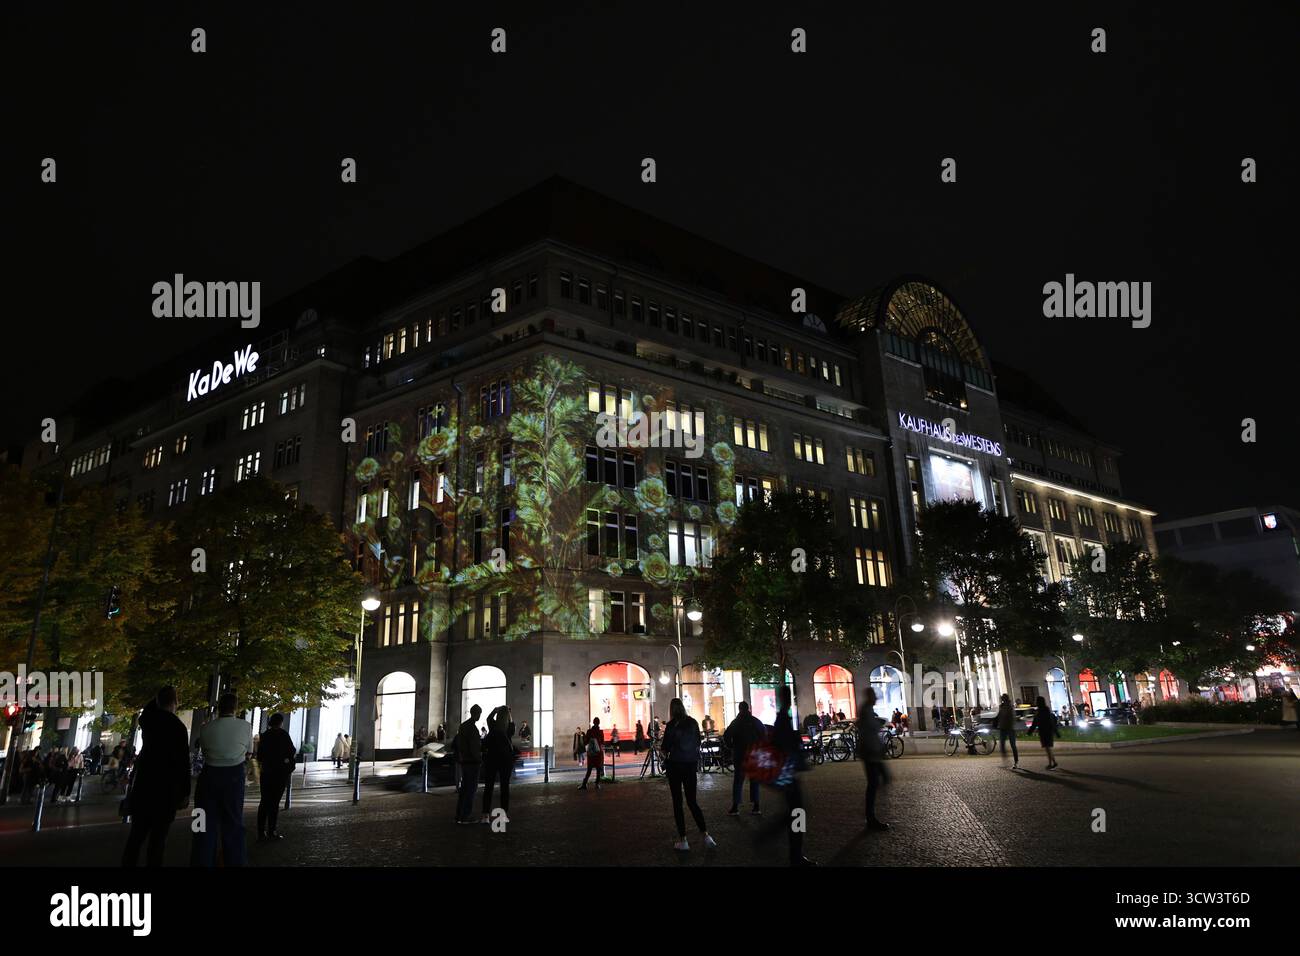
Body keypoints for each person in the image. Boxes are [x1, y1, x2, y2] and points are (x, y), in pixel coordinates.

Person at [123, 686, 192, 867]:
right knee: (158, 841)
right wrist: (185, 792)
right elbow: (183, 763)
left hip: (144, 786)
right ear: (175, 703)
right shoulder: (177, 727)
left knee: (136, 837)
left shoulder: (148, 722)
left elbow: (148, 710)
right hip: (166, 790)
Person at [191, 692, 253, 867]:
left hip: (208, 777)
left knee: (201, 824)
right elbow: (249, 752)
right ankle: (235, 861)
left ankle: (200, 861)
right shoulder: (246, 726)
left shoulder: (205, 728)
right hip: (233, 777)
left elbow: (204, 750)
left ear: (219, 708)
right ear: (236, 707)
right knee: (233, 824)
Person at [758, 685, 815, 866]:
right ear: (786, 698)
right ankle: (794, 853)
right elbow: (784, 745)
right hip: (787, 773)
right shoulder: (783, 717)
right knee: (798, 812)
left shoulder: (783, 717)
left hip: (786, 773)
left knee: (796, 812)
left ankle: (794, 852)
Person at [661, 697, 716, 851]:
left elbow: (665, 747)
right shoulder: (692, 722)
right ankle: (706, 835)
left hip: (675, 766)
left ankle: (683, 840)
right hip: (690, 765)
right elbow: (698, 742)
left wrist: (665, 753)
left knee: (677, 802)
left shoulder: (672, 725)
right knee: (692, 801)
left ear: (672, 710)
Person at [256, 713, 296, 842]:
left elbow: (260, 756)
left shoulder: (265, 735)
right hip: (279, 773)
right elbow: (292, 750)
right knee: (274, 803)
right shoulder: (283, 735)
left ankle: (260, 832)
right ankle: (272, 830)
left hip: (267, 772)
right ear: (280, 722)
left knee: (264, 802)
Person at [856, 690, 890, 830]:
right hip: (871, 753)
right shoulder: (866, 712)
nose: (876, 698)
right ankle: (871, 817)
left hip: (872, 753)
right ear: (870, 697)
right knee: (874, 784)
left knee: (875, 782)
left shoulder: (867, 710)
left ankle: (871, 816)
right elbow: (869, 733)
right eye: (874, 696)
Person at [723, 701, 764, 815]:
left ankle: (735, 807)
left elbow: (726, 736)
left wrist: (731, 746)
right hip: (753, 755)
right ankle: (756, 806)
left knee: (738, 781)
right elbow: (763, 734)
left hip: (740, 755)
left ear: (739, 709)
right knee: (754, 780)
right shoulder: (755, 721)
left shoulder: (736, 722)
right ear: (748, 709)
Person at [481, 706, 514, 823]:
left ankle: (485, 815)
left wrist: (495, 710)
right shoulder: (508, 729)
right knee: (504, 787)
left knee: (488, 787)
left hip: (492, 758)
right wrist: (509, 713)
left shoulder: (493, 726)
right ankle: (503, 815)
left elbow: (489, 718)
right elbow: (512, 723)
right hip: (505, 759)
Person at [454, 705, 484, 824]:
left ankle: (459, 814)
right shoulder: (472, 728)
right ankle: (466, 815)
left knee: (464, 789)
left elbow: (459, 744)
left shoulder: (463, 726)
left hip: (464, 761)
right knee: (471, 789)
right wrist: (479, 759)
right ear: (477, 714)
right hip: (472, 762)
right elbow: (474, 747)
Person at [1028, 695, 1061, 770]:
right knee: (1048, 748)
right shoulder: (1047, 710)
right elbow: (1052, 722)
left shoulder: (1039, 712)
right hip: (1049, 731)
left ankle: (1050, 764)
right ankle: (1054, 762)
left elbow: (1035, 723)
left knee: (1047, 748)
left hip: (1043, 732)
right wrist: (1056, 732)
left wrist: (1030, 732)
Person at [995, 693, 1020, 769]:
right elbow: (999, 716)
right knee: (1002, 745)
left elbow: (1012, 718)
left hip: (1009, 729)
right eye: (1002, 699)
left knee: (1013, 745)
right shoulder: (1001, 706)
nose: (1002, 700)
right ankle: (1006, 762)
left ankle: (1016, 762)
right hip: (1003, 728)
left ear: (1005, 699)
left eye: (1003, 698)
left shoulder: (1010, 707)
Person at [579, 718, 604, 790]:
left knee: (589, 769)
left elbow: (585, 742)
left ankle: (584, 784)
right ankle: (597, 784)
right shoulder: (600, 732)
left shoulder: (589, 731)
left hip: (591, 753)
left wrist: (583, 736)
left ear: (593, 722)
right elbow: (602, 742)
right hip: (598, 753)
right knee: (598, 769)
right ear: (599, 723)